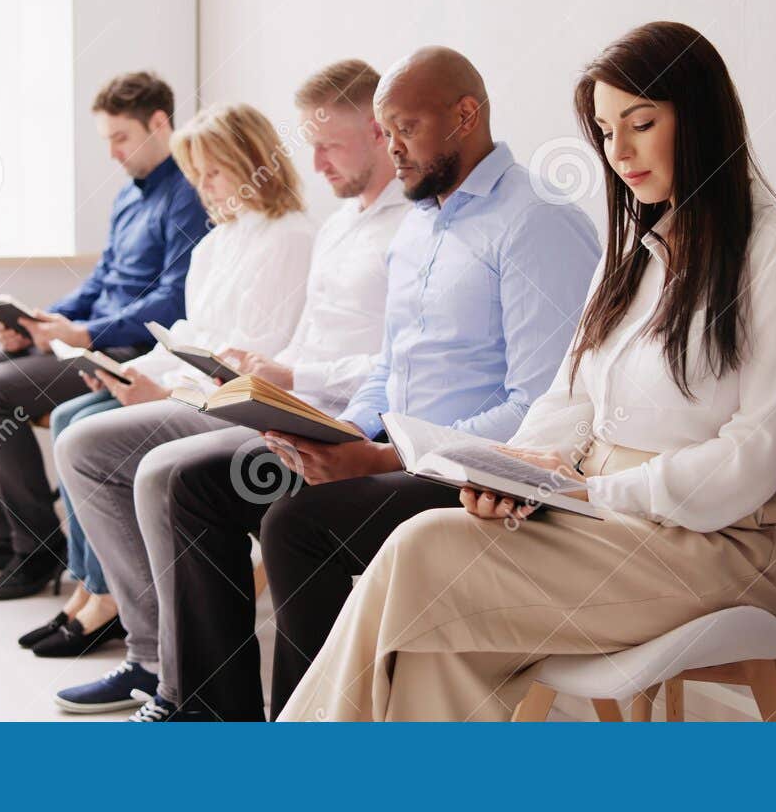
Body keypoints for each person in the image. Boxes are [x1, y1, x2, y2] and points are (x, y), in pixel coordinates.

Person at [278, 21, 776, 722]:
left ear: (702, 116)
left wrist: (598, 492)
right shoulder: (636, 252)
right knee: (435, 632)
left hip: (731, 541)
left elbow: (752, 459)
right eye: (603, 130)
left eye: (641, 123)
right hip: (614, 513)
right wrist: (511, 473)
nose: (618, 151)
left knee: (421, 554)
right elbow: (570, 398)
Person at [150, 46, 601, 721]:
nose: (392, 150)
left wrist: (387, 459)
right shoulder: (420, 225)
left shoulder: (536, 221)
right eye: (385, 134)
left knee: (301, 526)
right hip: (386, 448)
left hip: (474, 478)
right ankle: (218, 724)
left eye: (405, 129)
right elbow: (391, 365)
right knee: (194, 485)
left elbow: (539, 411)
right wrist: (345, 433)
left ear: (464, 114)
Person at [41, 101, 320, 701]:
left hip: (233, 406)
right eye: (196, 176)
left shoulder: (291, 238)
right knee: (78, 434)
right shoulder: (218, 244)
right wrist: (128, 370)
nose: (204, 189)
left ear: (251, 162)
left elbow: (254, 359)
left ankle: (154, 652)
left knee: (86, 444)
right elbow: (190, 337)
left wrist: (162, 389)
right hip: (196, 392)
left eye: (213, 173)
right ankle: (148, 646)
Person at [0, 72, 209, 600]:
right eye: (106, 140)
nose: (112, 152)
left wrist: (83, 332)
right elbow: (103, 279)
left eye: (120, 137)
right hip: (85, 337)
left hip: (128, 350)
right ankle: (6, 529)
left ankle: (36, 548)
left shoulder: (190, 193)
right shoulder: (130, 196)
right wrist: (38, 321)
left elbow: (175, 301)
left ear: (159, 123)